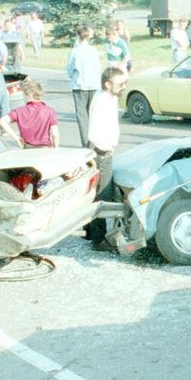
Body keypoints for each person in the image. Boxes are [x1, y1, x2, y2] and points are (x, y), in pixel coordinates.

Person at [85, 66, 127, 248]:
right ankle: (98, 239)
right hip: (102, 154)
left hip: (104, 152)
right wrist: (106, 148)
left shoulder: (109, 98)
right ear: (107, 84)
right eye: (120, 84)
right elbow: (94, 133)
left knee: (96, 193)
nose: (124, 86)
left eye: (125, 82)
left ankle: (89, 231)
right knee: (101, 196)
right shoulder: (102, 102)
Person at [66, 25, 102, 147]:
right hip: (94, 85)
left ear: (78, 36)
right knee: (93, 113)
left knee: (82, 116)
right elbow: (98, 68)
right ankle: (95, 140)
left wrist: (73, 76)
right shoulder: (94, 51)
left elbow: (70, 70)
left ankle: (86, 143)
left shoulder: (75, 52)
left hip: (79, 85)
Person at [0, 80, 59, 148]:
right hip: (45, 149)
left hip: (28, 148)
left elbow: (2, 121)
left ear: (29, 96)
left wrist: (16, 138)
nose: (23, 97)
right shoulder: (50, 111)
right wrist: (55, 148)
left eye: (23, 94)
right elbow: (55, 134)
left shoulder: (19, 111)